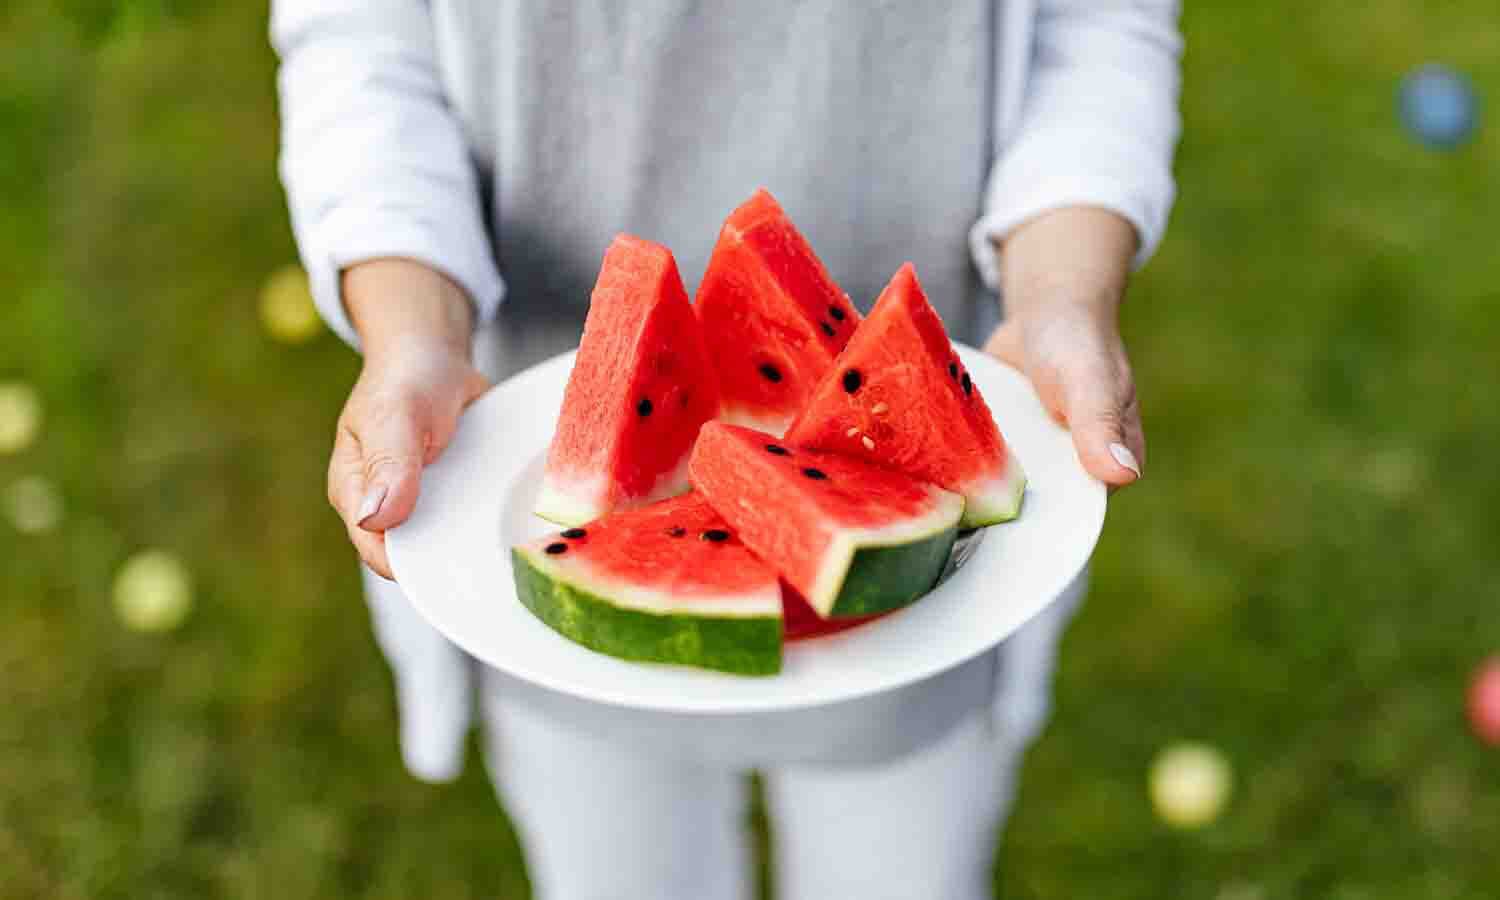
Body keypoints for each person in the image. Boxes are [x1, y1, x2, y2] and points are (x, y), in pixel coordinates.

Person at [272, 2, 1180, 897]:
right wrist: (412, 331)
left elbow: (1096, 24)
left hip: (933, 599)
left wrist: (1061, 293)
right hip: (523, 464)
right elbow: (364, 44)